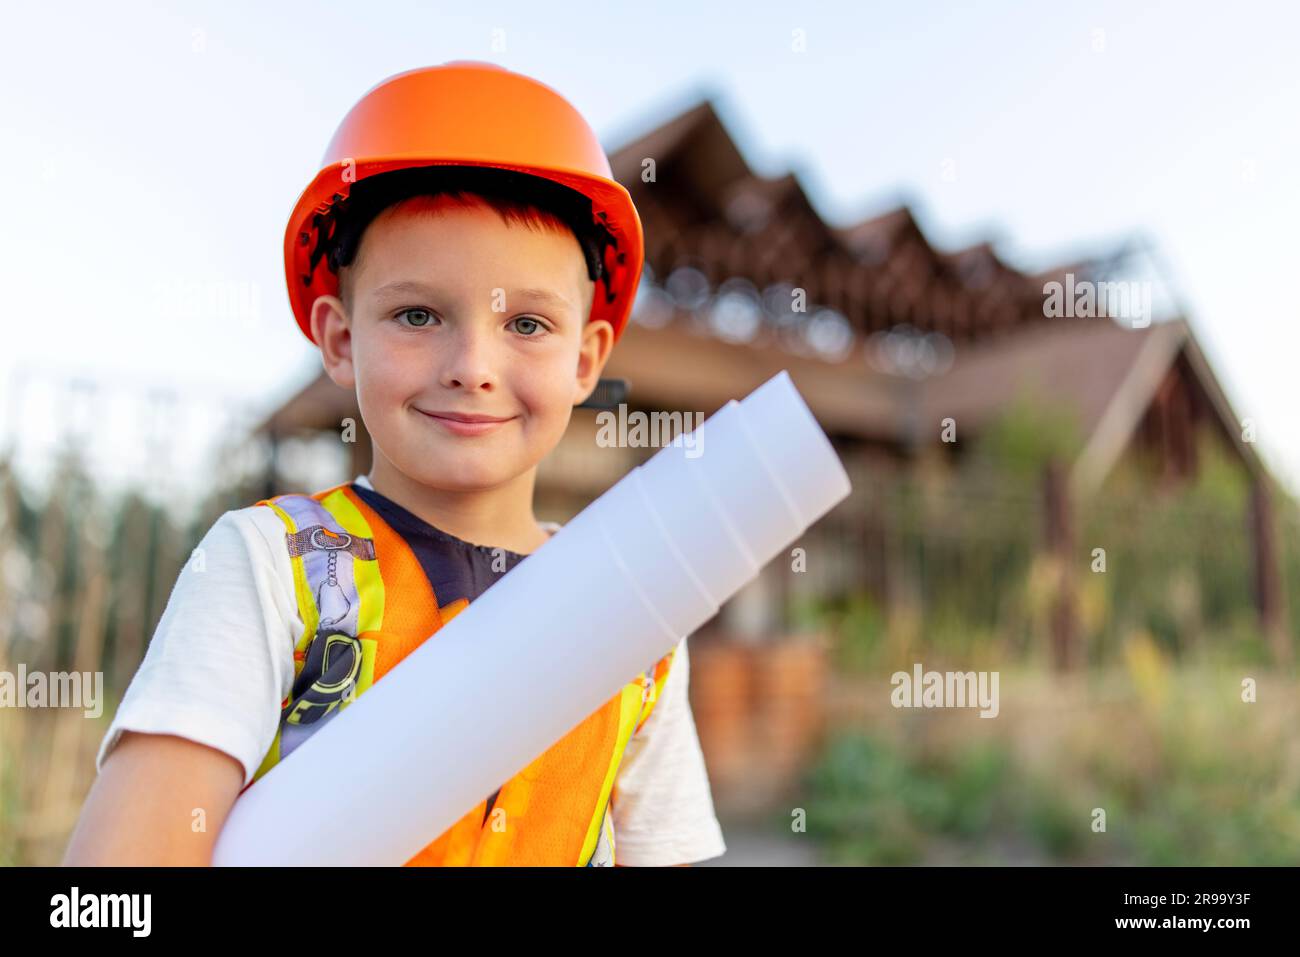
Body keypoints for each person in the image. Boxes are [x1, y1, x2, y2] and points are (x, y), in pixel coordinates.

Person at [63, 62, 726, 867]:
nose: (472, 366)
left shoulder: (637, 620)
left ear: (586, 361)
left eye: (526, 323)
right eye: (418, 313)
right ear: (341, 339)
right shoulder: (273, 569)